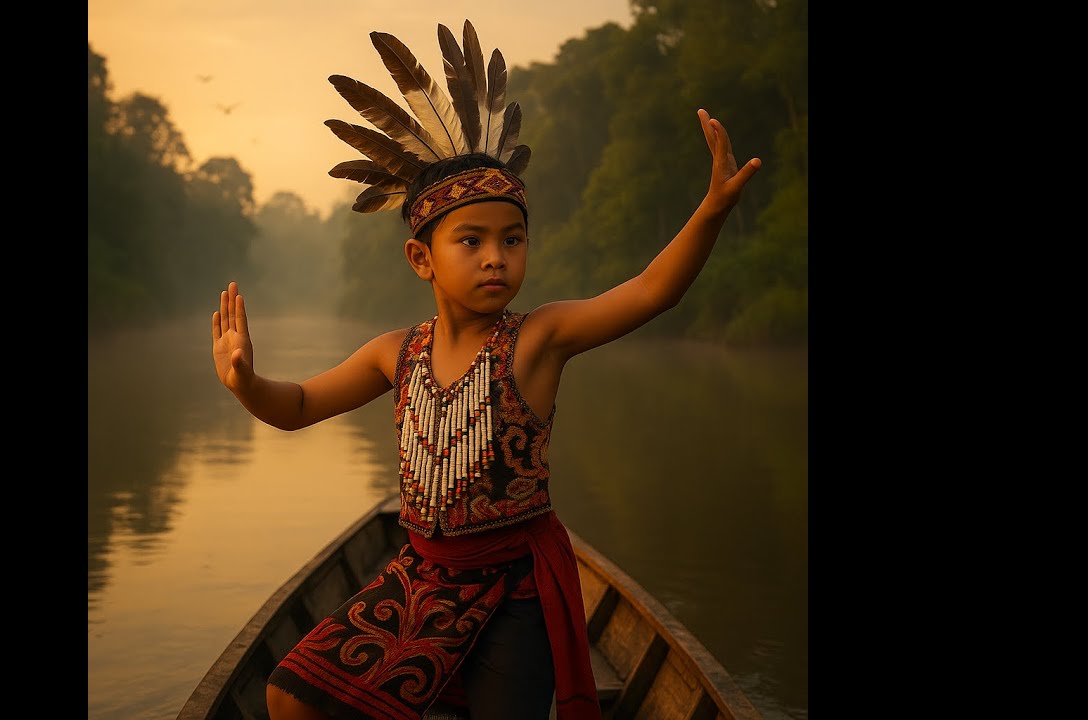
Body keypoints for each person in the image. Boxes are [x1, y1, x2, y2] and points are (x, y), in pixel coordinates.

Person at [210, 20, 760, 720]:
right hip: (419, 582)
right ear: (422, 259)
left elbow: (652, 291)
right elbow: (295, 406)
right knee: (290, 696)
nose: (496, 256)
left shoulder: (538, 340)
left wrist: (711, 210)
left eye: (512, 239)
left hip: (513, 590)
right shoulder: (394, 352)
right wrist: (246, 382)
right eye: (471, 240)